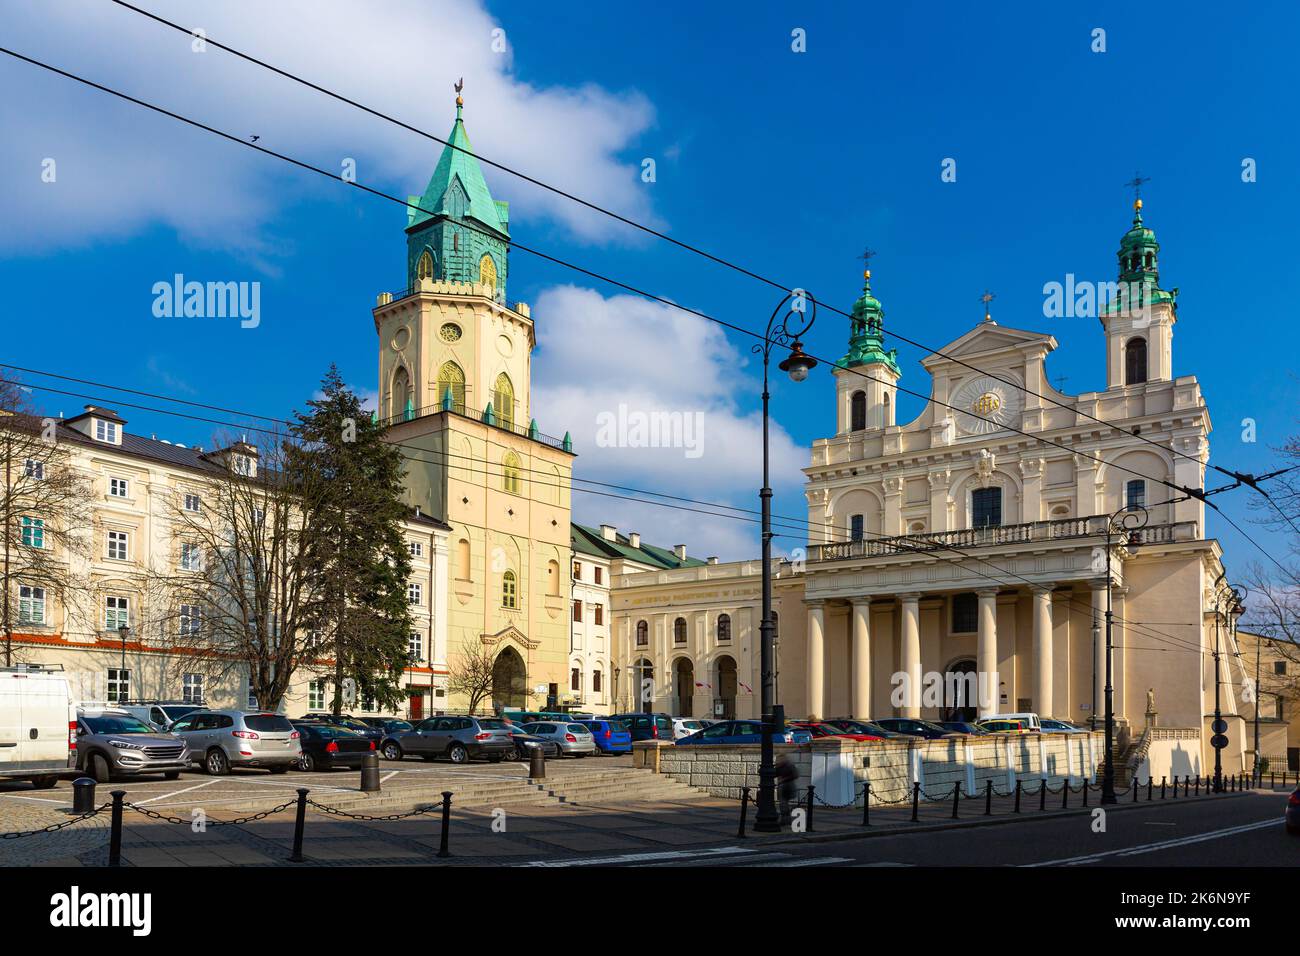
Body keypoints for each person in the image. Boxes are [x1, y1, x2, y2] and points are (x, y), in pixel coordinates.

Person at [776, 754, 799, 824]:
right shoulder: (780, 766)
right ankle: (786, 819)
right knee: (783, 804)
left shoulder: (789, 766)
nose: (779, 761)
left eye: (780, 759)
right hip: (782, 786)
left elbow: (795, 775)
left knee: (783, 803)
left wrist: (783, 779)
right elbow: (775, 773)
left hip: (787, 787)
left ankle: (785, 820)